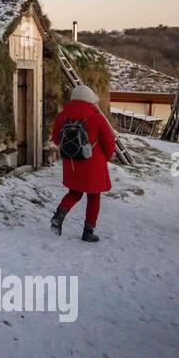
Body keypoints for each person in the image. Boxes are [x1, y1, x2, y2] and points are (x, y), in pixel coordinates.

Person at [49, 83, 116, 243]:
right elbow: (109, 142)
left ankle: (59, 215)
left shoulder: (62, 116)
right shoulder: (96, 117)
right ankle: (88, 232)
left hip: (72, 162)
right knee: (94, 197)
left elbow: (56, 139)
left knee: (74, 192)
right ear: (90, 99)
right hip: (93, 164)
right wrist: (105, 158)